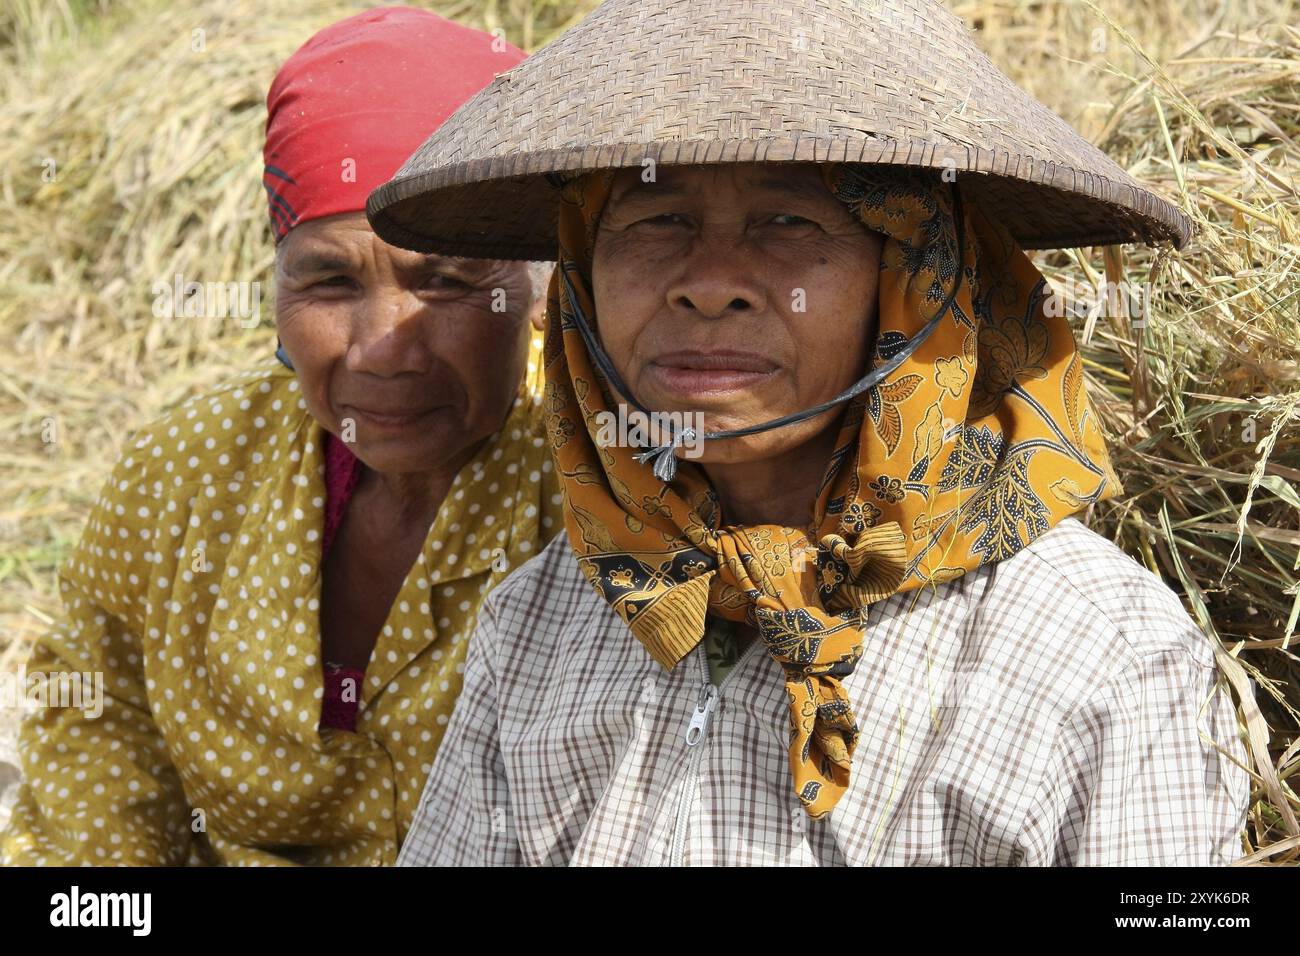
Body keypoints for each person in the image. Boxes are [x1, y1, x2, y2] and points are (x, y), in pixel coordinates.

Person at [374, 0, 1252, 865]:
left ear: (917, 278)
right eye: (656, 220)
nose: (710, 286)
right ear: (580, 280)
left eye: (790, 222)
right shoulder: (541, 616)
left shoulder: (1101, 649)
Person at [2, 6, 561, 866]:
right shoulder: (183, 473)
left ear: (534, 289)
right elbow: (100, 729)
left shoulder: (605, 489)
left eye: (446, 281)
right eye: (330, 281)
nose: (383, 347)